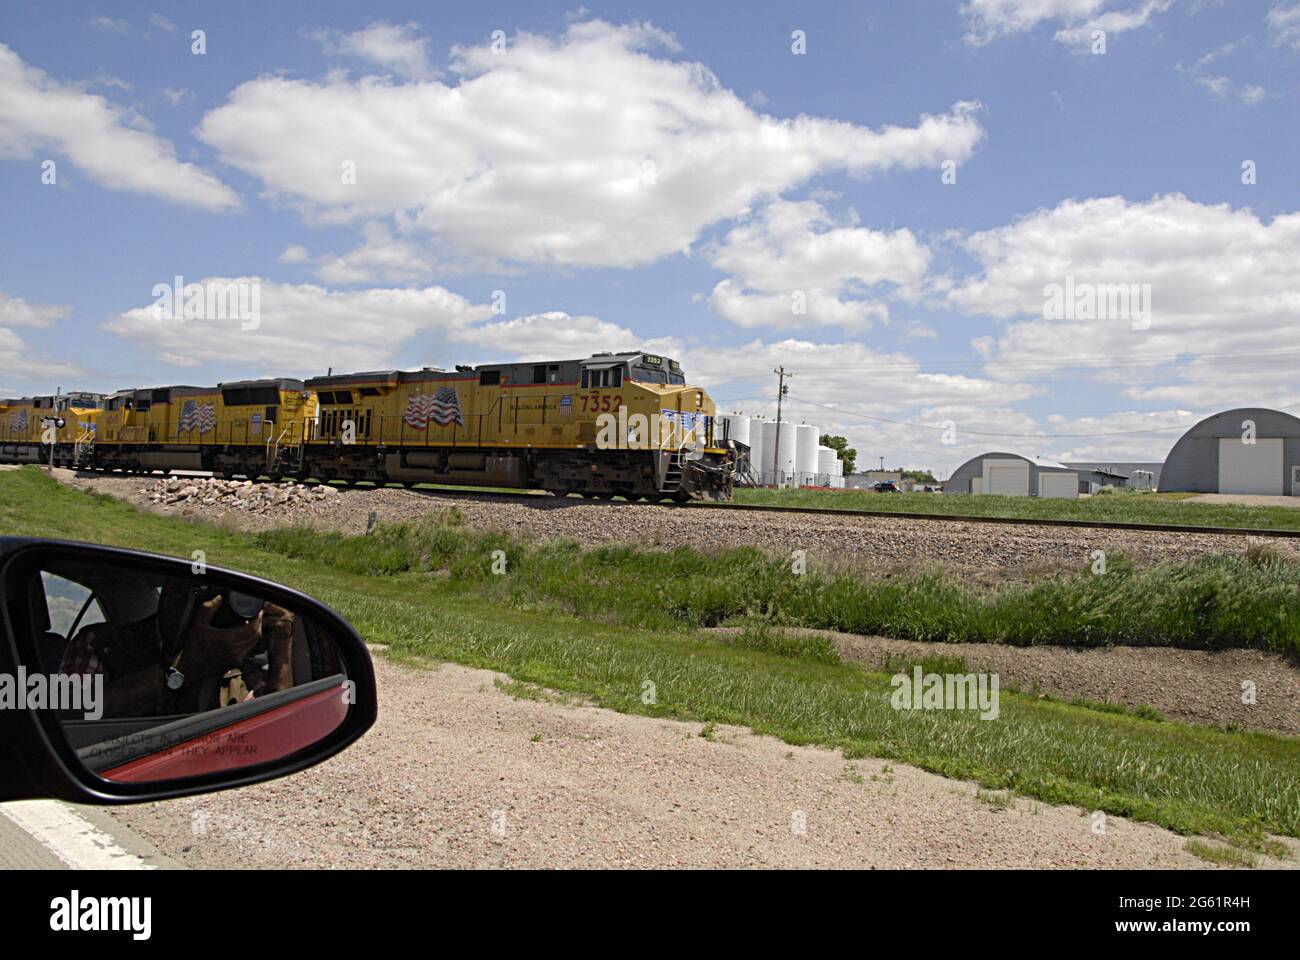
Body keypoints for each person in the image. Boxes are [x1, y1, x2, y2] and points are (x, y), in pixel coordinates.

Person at [57, 578, 295, 718]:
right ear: (169, 596)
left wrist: (281, 645)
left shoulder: (240, 668)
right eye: (203, 596)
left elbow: (277, 727)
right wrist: (188, 667)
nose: (219, 612)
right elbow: (69, 714)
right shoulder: (101, 646)